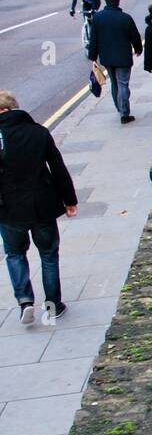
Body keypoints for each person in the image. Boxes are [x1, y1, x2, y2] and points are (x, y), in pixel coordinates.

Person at [0, 91, 78, 324]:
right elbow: (58, 168)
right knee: (48, 255)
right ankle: (54, 305)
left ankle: (25, 301)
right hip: (42, 205)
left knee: (14, 254)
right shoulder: (38, 132)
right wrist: (69, 200)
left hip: (8, 209)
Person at [87, 0, 142, 124]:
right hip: (123, 57)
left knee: (114, 83)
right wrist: (138, 49)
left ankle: (119, 107)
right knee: (123, 84)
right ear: (118, 1)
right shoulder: (126, 18)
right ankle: (124, 113)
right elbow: (135, 36)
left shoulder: (98, 18)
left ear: (106, 2)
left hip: (107, 57)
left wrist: (93, 56)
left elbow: (93, 39)